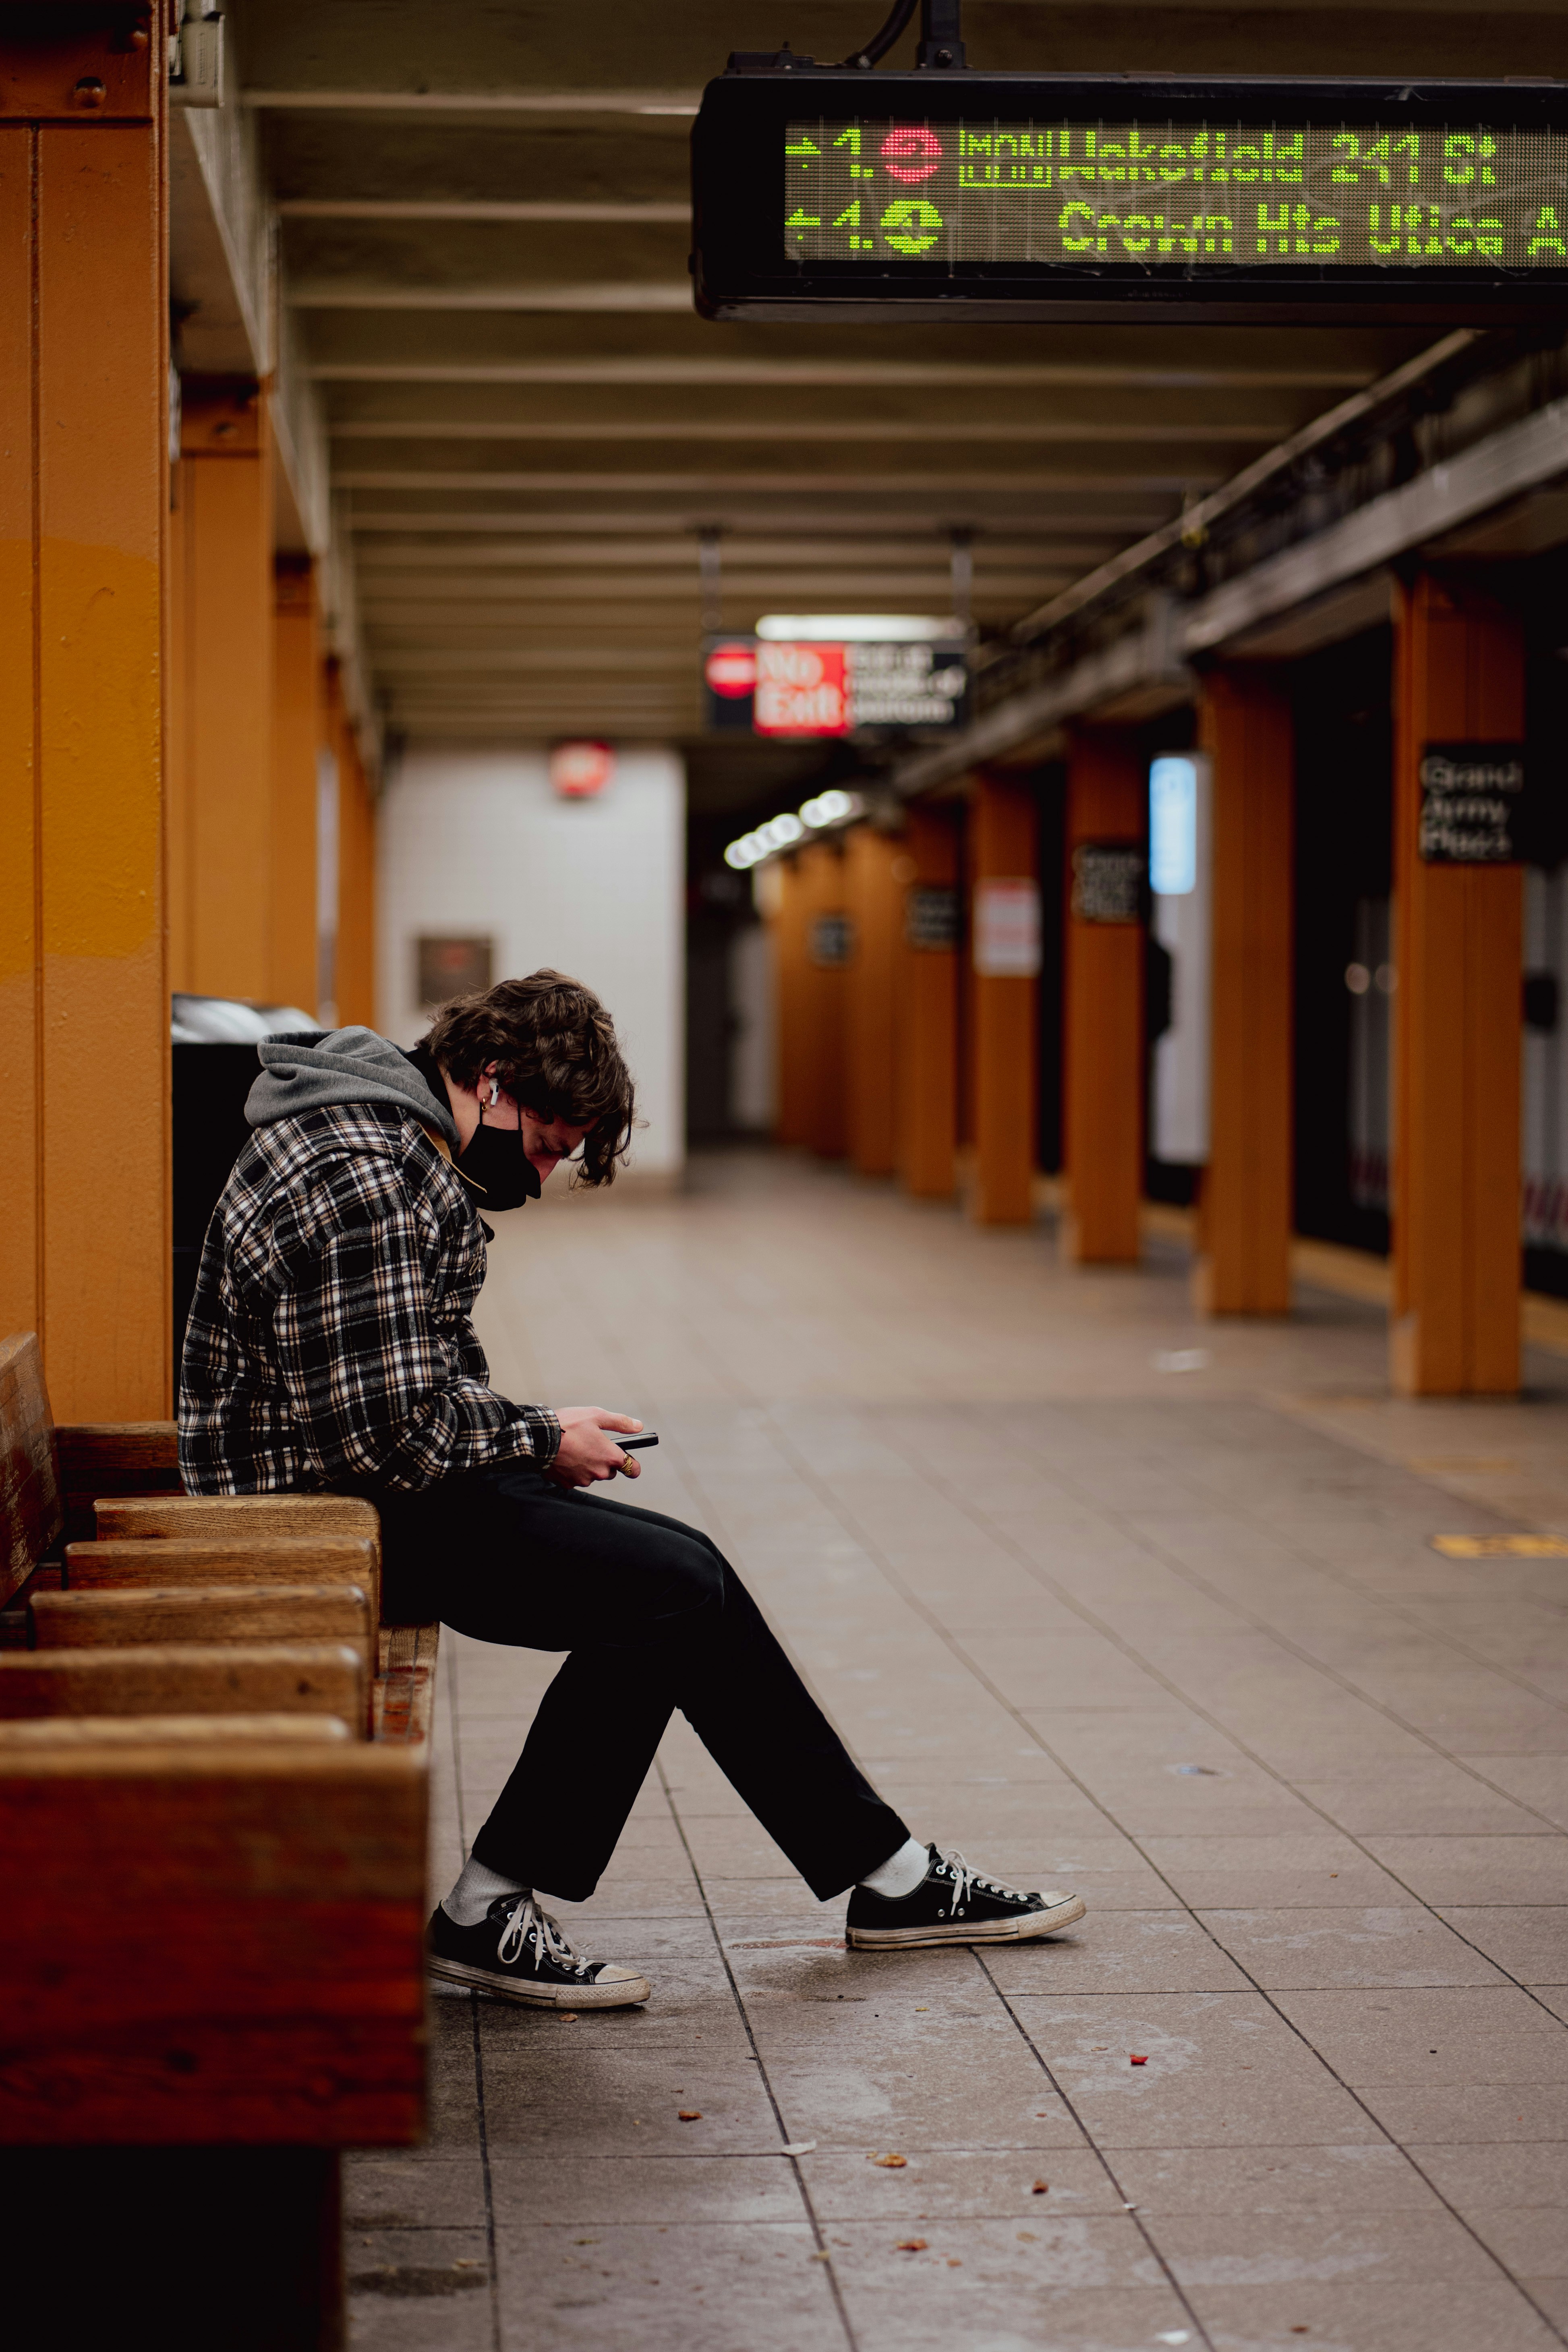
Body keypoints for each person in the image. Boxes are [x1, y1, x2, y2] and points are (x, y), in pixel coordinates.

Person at [179, 970, 1086, 2008]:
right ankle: (508, 1910)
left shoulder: (392, 1144)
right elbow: (387, 1432)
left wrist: (535, 1436)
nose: (548, 1174)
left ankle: (882, 1878)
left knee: (676, 1575)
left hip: (357, 1493)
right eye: (547, 1146)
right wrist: (540, 1437)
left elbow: (406, 1394)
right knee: (663, 1588)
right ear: (491, 1083)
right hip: (321, 1524)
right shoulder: (367, 1175)